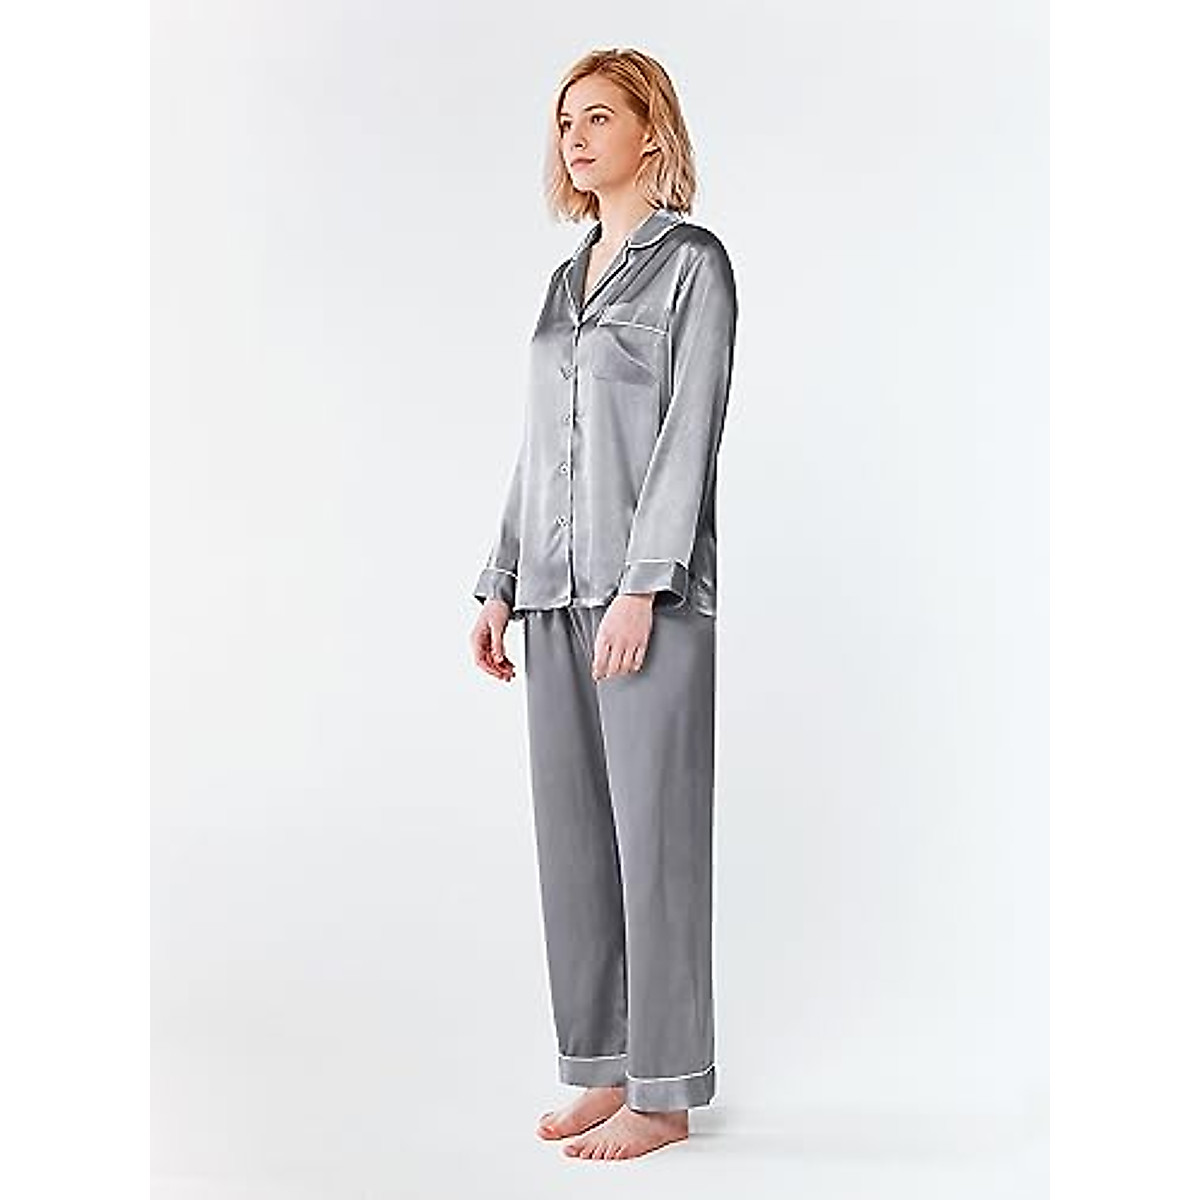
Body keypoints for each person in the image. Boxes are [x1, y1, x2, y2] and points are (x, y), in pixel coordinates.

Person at [468, 47, 738, 1161]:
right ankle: (603, 1067)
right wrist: (499, 578)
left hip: (647, 602)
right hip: (549, 594)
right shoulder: (562, 279)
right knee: (574, 845)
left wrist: (642, 584)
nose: (574, 138)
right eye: (564, 122)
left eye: (597, 118)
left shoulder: (693, 266)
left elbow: (689, 432)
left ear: (649, 131)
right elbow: (540, 443)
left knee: (656, 844)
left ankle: (664, 1094)